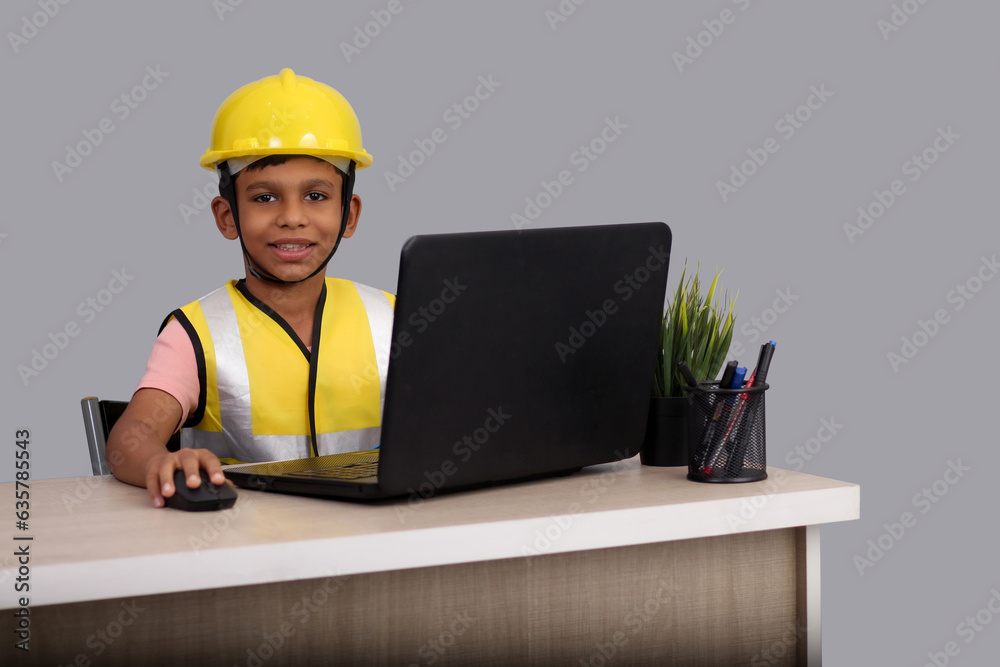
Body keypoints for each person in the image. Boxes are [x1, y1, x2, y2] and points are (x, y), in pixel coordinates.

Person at [106, 69, 394, 508]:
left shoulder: (396, 317)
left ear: (349, 215)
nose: (292, 217)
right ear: (226, 216)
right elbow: (133, 436)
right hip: (242, 549)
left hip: (379, 545)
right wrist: (158, 463)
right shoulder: (196, 334)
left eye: (316, 196)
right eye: (264, 198)